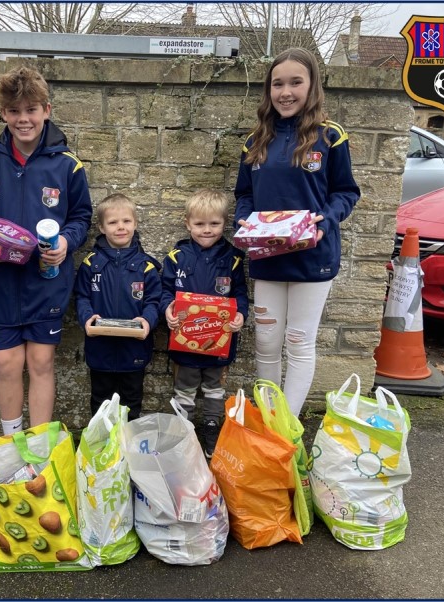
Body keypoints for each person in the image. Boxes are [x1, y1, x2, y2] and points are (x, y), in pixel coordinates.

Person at [234, 48, 360, 417]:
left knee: (299, 343)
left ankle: (286, 430)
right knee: (267, 342)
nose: (285, 92)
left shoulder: (331, 137)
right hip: (267, 258)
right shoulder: (255, 141)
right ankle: (271, 421)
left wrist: (326, 218)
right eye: (277, 84)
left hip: (313, 259)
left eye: (295, 83)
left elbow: (347, 192)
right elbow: (243, 194)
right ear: (268, 90)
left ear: (312, 86)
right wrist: (243, 220)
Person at [0, 66, 92, 435]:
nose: (24, 119)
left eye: (31, 109)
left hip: (47, 282)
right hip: (2, 282)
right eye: (15, 111)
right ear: (4, 114)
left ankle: (37, 447)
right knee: (6, 363)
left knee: (40, 361)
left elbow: (82, 216)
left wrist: (66, 242)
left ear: (46, 110)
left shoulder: (68, 165)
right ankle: (11, 443)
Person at [161, 189, 249, 458]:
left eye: (215, 224)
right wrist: (168, 309)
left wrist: (240, 316)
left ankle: (212, 431)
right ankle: (182, 435)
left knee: (214, 390)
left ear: (225, 223)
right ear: (188, 223)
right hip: (185, 342)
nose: (207, 230)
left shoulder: (233, 258)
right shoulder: (176, 257)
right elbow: (165, 290)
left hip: (218, 344)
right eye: (200, 224)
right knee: (184, 390)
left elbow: (240, 295)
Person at [74, 194, 162, 421]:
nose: (120, 227)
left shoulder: (147, 266)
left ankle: (126, 450)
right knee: (100, 401)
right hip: (100, 348)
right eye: (113, 222)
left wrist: (147, 321)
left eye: (126, 221)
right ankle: (101, 448)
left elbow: (154, 301)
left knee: (132, 402)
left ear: (135, 223)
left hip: (134, 350)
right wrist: (86, 318)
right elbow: (82, 296)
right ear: (102, 227)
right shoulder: (90, 263)